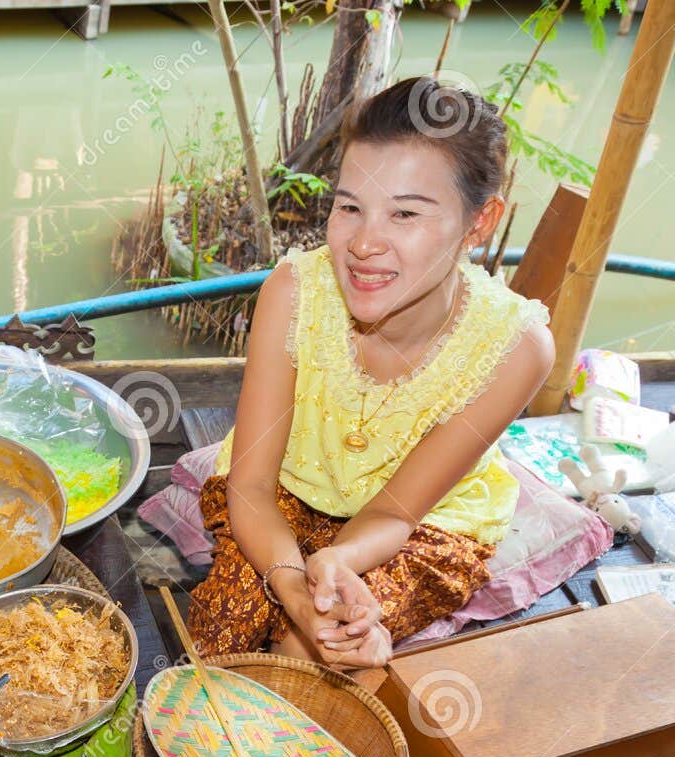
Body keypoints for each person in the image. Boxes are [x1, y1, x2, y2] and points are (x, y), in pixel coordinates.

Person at [187, 76, 554, 670]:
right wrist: (293, 587)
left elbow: (395, 513)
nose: (363, 244)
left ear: (480, 222)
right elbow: (251, 487)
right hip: (287, 490)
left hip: (418, 518)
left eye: (404, 213)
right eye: (350, 207)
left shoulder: (515, 347)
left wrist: (336, 562)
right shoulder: (295, 292)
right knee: (224, 637)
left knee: (328, 650)